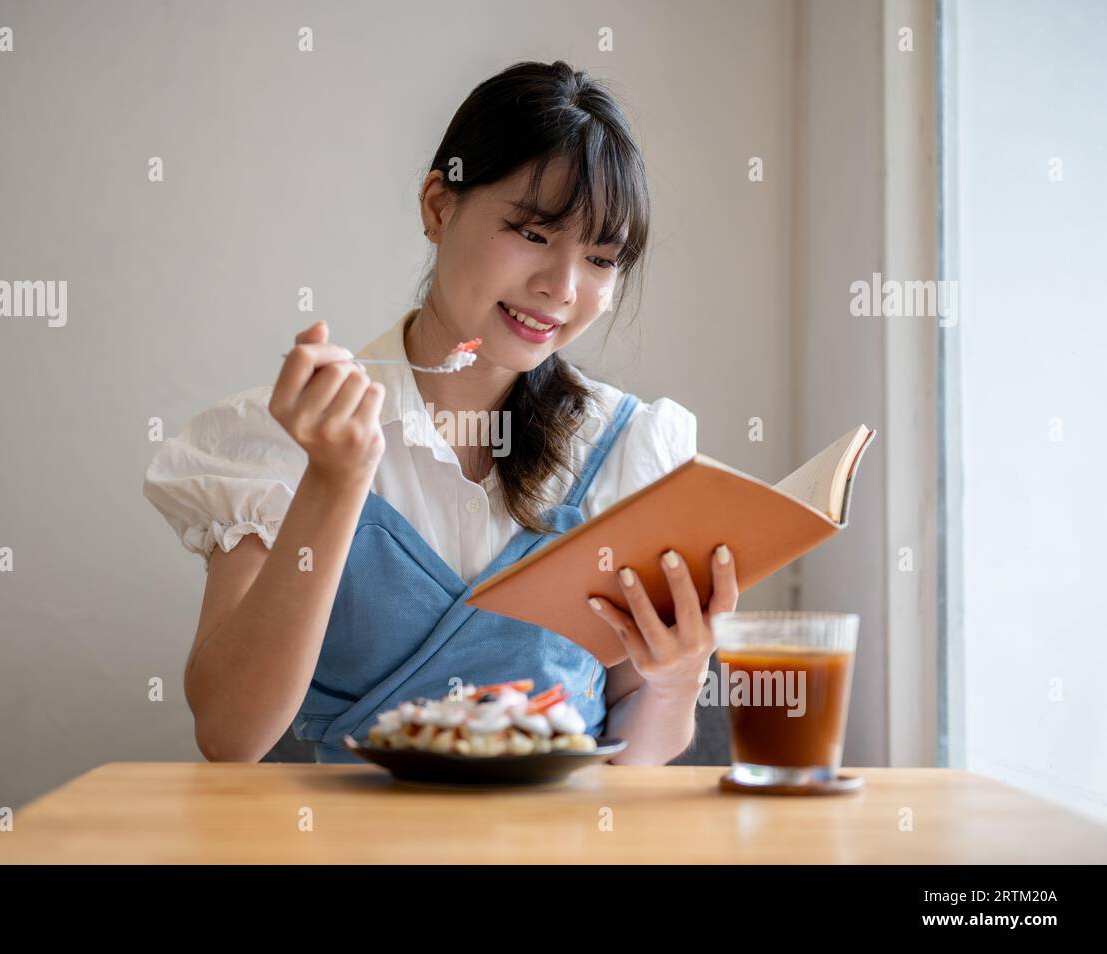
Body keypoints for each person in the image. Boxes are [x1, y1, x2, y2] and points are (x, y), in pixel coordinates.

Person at [143, 60, 738, 765]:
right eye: (535, 234)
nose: (561, 288)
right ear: (438, 206)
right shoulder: (286, 439)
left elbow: (631, 760)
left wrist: (676, 681)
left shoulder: (631, 449)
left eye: (602, 259)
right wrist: (336, 483)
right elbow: (228, 734)